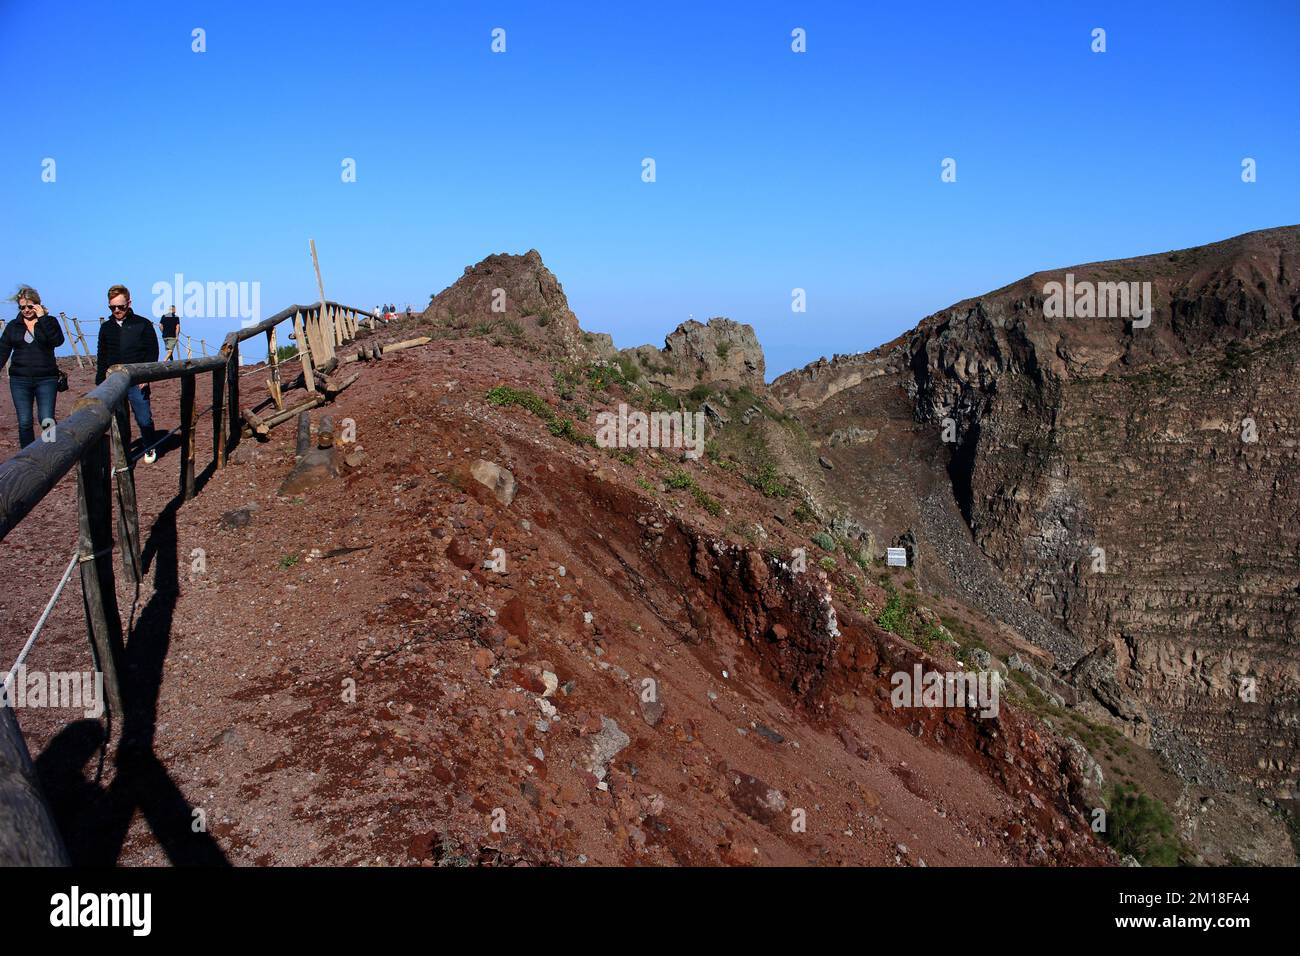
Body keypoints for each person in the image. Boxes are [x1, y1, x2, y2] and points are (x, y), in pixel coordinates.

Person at [97, 284, 161, 461]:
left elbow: (152, 351)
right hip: (113, 381)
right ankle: (124, 454)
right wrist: (100, 381)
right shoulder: (106, 327)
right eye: (112, 307)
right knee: (119, 420)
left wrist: (147, 376)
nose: (117, 310)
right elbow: (102, 354)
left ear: (129, 303)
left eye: (121, 306)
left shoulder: (143, 324)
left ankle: (149, 446)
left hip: (137, 379)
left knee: (144, 418)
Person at [0, 287, 64, 448]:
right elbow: (2, 351)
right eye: (22, 307)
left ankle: (51, 451)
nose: (27, 310)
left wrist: (43, 318)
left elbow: (57, 341)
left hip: (46, 379)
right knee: (24, 421)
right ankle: (27, 455)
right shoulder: (13, 326)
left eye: (30, 306)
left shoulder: (50, 322)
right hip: (19, 380)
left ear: (38, 305)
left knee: (47, 418)